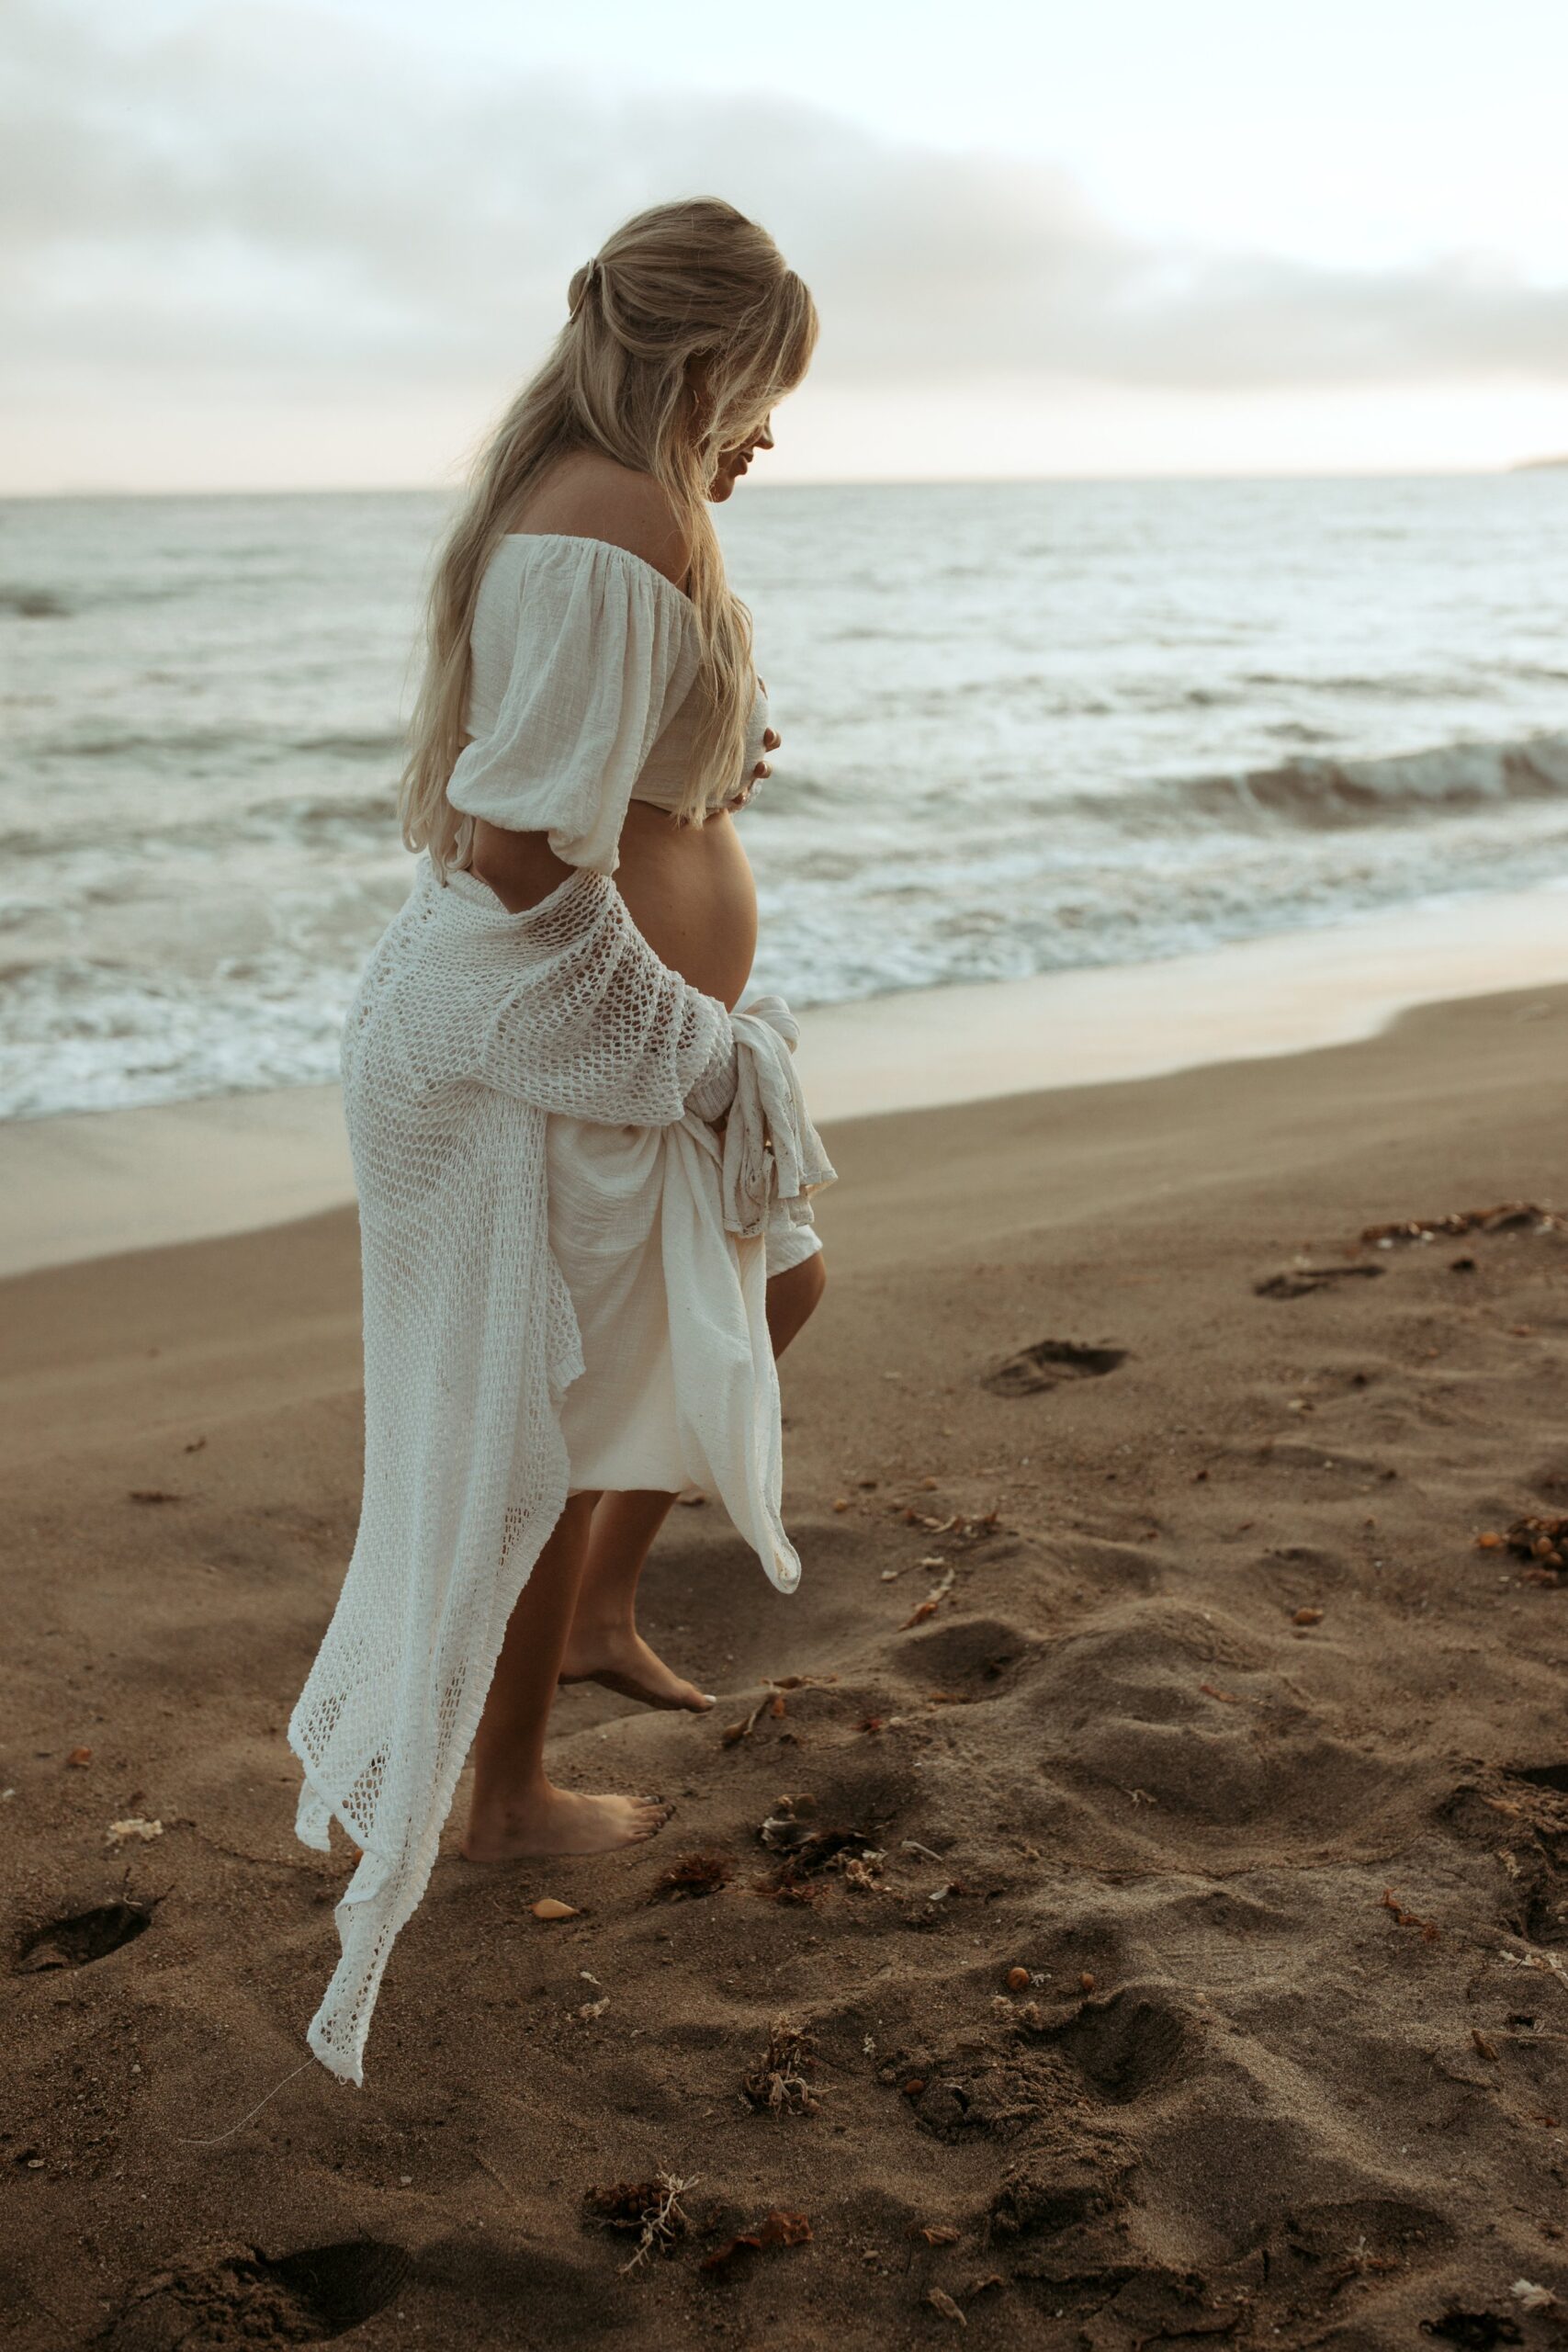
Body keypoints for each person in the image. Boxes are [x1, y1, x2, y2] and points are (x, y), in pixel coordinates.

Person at [288, 198, 833, 2084]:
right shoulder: (626, 510)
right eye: (765, 392)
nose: (769, 434)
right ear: (703, 365)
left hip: (525, 1036)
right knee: (546, 1405)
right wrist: (677, 1046)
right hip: (541, 1046)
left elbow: (545, 784)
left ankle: (585, 1624)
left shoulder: (578, 486)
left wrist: (702, 759)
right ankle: (500, 1792)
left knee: (756, 1292)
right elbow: (525, 871)